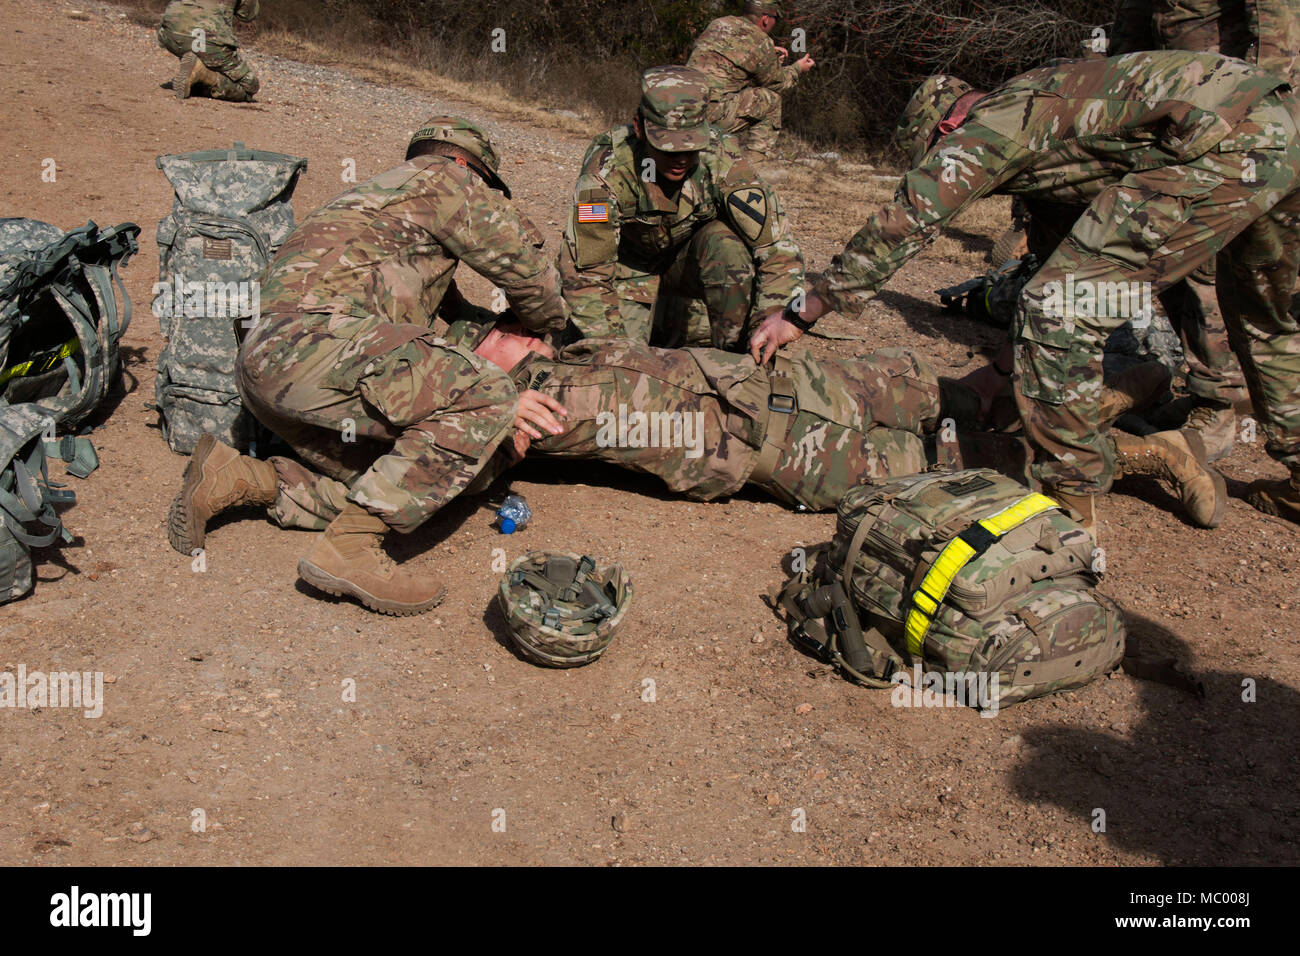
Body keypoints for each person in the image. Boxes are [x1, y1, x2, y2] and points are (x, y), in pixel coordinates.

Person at [750, 51, 1300, 532]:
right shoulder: (1057, 122)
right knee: (1264, 319)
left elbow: (909, 218)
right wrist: (1006, 368)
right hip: (1279, 125)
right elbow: (1065, 258)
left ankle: (1068, 504)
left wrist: (801, 312)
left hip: (1229, 139)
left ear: (943, 127)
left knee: (1058, 307)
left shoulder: (991, 123)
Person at [166, 118, 571, 616]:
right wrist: (545, 334)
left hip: (264, 363)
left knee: (422, 474)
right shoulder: (450, 181)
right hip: (318, 346)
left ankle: (241, 478)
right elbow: (533, 281)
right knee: (488, 395)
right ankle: (349, 551)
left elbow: (445, 315)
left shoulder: (371, 205)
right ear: (473, 168)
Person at [451, 320, 1222, 525]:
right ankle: (1150, 454)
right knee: (978, 465)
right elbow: (454, 458)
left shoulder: (573, 349)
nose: (506, 333)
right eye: (487, 341)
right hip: (792, 453)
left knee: (964, 396)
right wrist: (493, 413)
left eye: (499, 330)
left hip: (796, 383)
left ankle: (1126, 395)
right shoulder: (527, 415)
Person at [559, 65, 804, 351]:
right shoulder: (607, 170)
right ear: (639, 127)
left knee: (727, 247)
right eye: (668, 147)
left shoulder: (722, 158)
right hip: (627, 271)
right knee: (618, 364)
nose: (681, 159)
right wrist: (613, 347)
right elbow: (588, 273)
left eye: (691, 147)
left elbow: (777, 250)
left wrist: (767, 323)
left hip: (689, 265)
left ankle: (735, 358)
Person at [686, 0, 815, 159]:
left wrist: (769, 54)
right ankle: (755, 161)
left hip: (684, 106)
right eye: (776, 19)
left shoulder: (718, 23)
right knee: (771, 100)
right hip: (710, 114)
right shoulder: (760, 41)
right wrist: (797, 68)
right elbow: (778, 83)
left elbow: (723, 51)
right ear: (766, 19)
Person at [158, 0, 261, 102]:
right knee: (249, 87)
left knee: (199, 51)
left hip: (170, 34)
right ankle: (204, 75)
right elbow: (248, 15)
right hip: (207, 39)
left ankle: (194, 72)